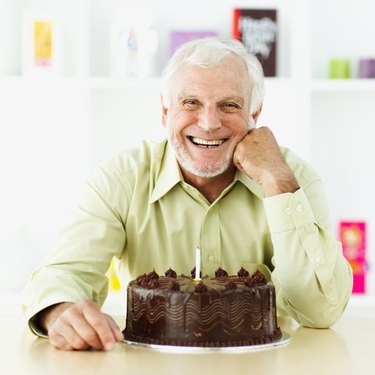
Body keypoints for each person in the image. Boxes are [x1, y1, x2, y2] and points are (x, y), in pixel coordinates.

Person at [22, 38, 353, 351]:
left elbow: (320, 310)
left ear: (255, 115)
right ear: (166, 112)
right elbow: (62, 274)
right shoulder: (122, 180)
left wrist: (278, 183)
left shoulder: (293, 180)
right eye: (191, 103)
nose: (209, 123)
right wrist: (58, 311)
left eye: (229, 105)